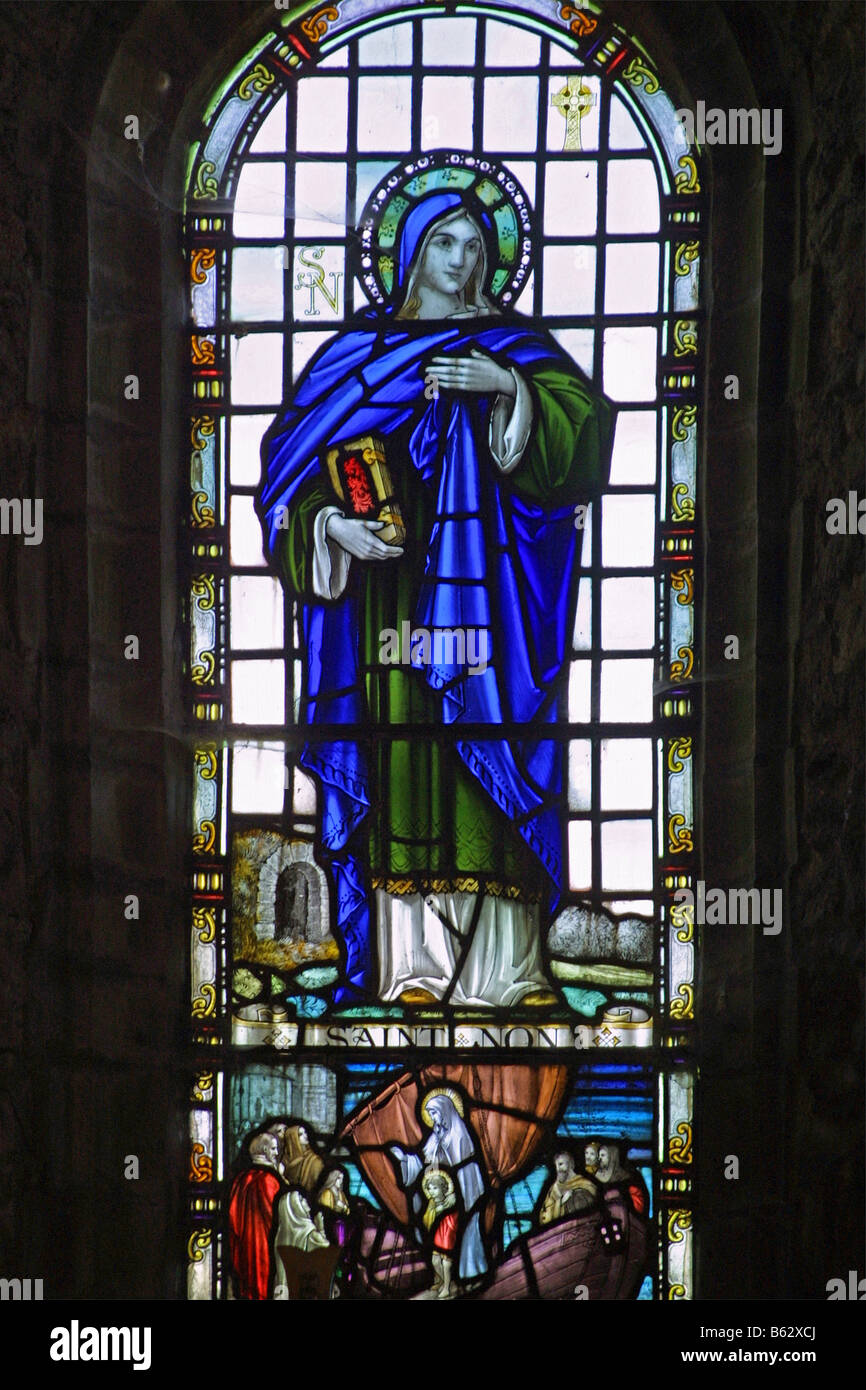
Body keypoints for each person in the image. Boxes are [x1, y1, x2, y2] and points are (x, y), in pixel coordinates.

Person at [258, 157, 612, 1007]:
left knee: (485, 754)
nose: (461, 259)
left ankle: (511, 969)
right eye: (444, 242)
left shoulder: (516, 350)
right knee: (402, 760)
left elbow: (582, 443)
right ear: (412, 252)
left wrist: (506, 388)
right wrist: (333, 528)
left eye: (474, 245)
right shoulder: (355, 357)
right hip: (387, 606)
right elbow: (292, 476)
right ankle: (407, 966)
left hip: (488, 605)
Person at [390, 1086, 487, 1288]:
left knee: (453, 1239)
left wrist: (455, 1192)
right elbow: (424, 1162)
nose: (432, 1118)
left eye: (434, 1113)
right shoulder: (434, 1137)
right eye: (430, 1114)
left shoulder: (459, 1136)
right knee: (435, 1242)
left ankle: (464, 1277)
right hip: (436, 1196)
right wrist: (405, 1160)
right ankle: (440, 1279)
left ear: (444, 1111)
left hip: (459, 1196)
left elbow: (465, 1169)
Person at [227, 1131, 283, 1300]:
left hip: (245, 1243)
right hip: (264, 1245)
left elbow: (232, 1216)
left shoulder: (242, 1178)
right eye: (272, 1149)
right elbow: (276, 1217)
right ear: (263, 1150)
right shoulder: (268, 1180)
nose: (275, 1153)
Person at [272, 1188, 331, 1300]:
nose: (306, 1203)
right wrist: (320, 1226)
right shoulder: (307, 1231)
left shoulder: (281, 1234)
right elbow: (326, 1250)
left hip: (282, 1291)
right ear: (293, 1207)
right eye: (301, 1200)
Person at [422, 1169, 459, 1299]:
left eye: (435, 1188)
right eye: (430, 1188)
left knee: (446, 1261)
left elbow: (455, 1218)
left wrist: (444, 1209)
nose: (432, 1191)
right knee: (435, 1261)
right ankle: (443, 1281)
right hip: (437, 1234)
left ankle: (447, 1288)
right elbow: (426, 1218)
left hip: (447, 1232)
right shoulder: (431, 1202)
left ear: (443, 1188)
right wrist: (434, 1212)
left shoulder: (451, 1200)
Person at [538, 1149, 599, 1225]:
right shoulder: (554, 1189)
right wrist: (562, 1201)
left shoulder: (584, 1184)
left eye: (560, 1164)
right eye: (556, 1165)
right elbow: (544, 1218)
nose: (558, 1169)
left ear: (570, 1165)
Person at [595, 1142, 648, 1217]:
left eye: (603, 1155)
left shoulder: (629, 1177)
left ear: (612, 1157)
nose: (599, 1159)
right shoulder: (596, 1176)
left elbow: (639, 1202)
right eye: (599, 1155)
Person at [280, 1123, 324, 1194]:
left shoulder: (314, 1160)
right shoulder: (285, 1160)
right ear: (293, 1138)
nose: (305, 1136)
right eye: (300, 1134)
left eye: (305, 1132)